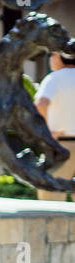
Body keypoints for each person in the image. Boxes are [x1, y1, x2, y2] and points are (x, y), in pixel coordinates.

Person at [36, 51, 75, 201]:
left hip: (60, 146)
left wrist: (46, 132)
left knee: (51, 202)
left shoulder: (54, 78)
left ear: (59, 57)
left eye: (51, 55)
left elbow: (41, 104)